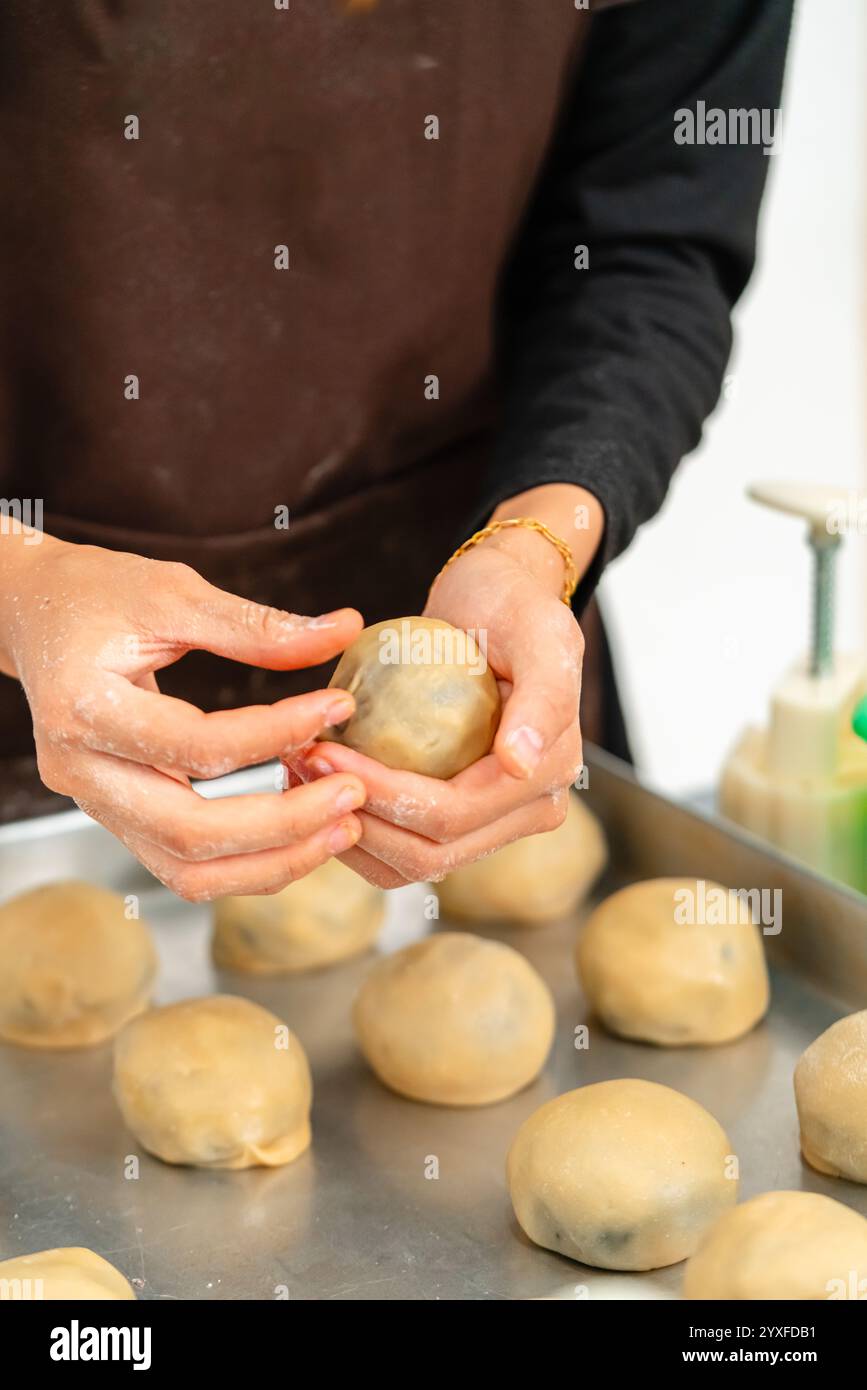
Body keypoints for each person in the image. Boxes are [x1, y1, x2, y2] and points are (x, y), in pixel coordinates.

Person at [0, 0, 793, 898]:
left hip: (466, 602)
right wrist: (15, 587)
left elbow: (644, 249)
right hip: (32, 651)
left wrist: (536, 543)